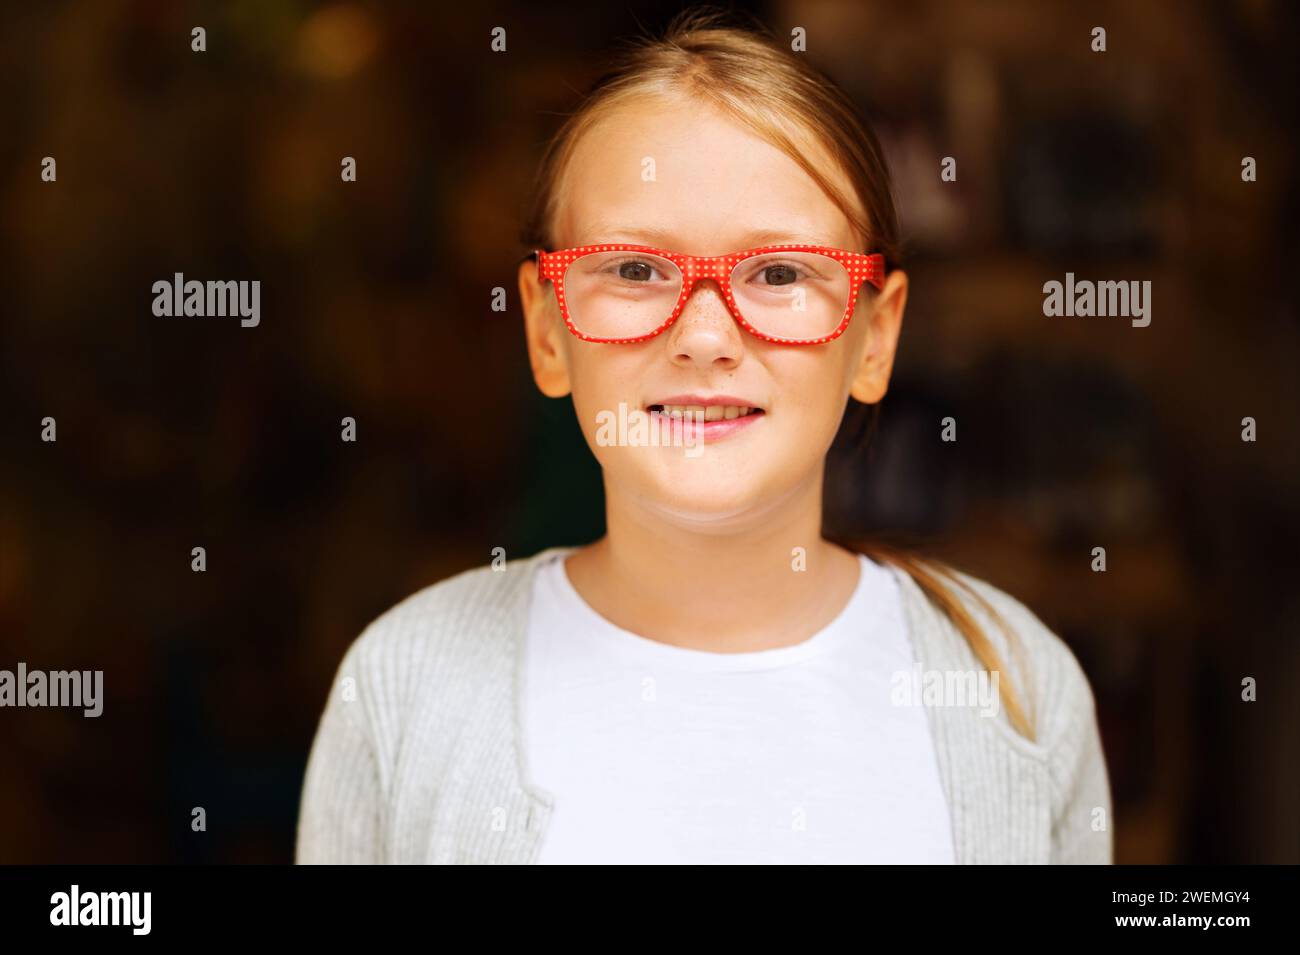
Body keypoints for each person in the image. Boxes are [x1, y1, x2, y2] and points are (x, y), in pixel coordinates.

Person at [296, 9, 1112, 865]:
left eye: (781, 273)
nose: (705, 336)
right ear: (546, 330)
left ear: (874, 338)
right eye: (637, 270)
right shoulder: (405, 686)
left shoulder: (1013, 691)